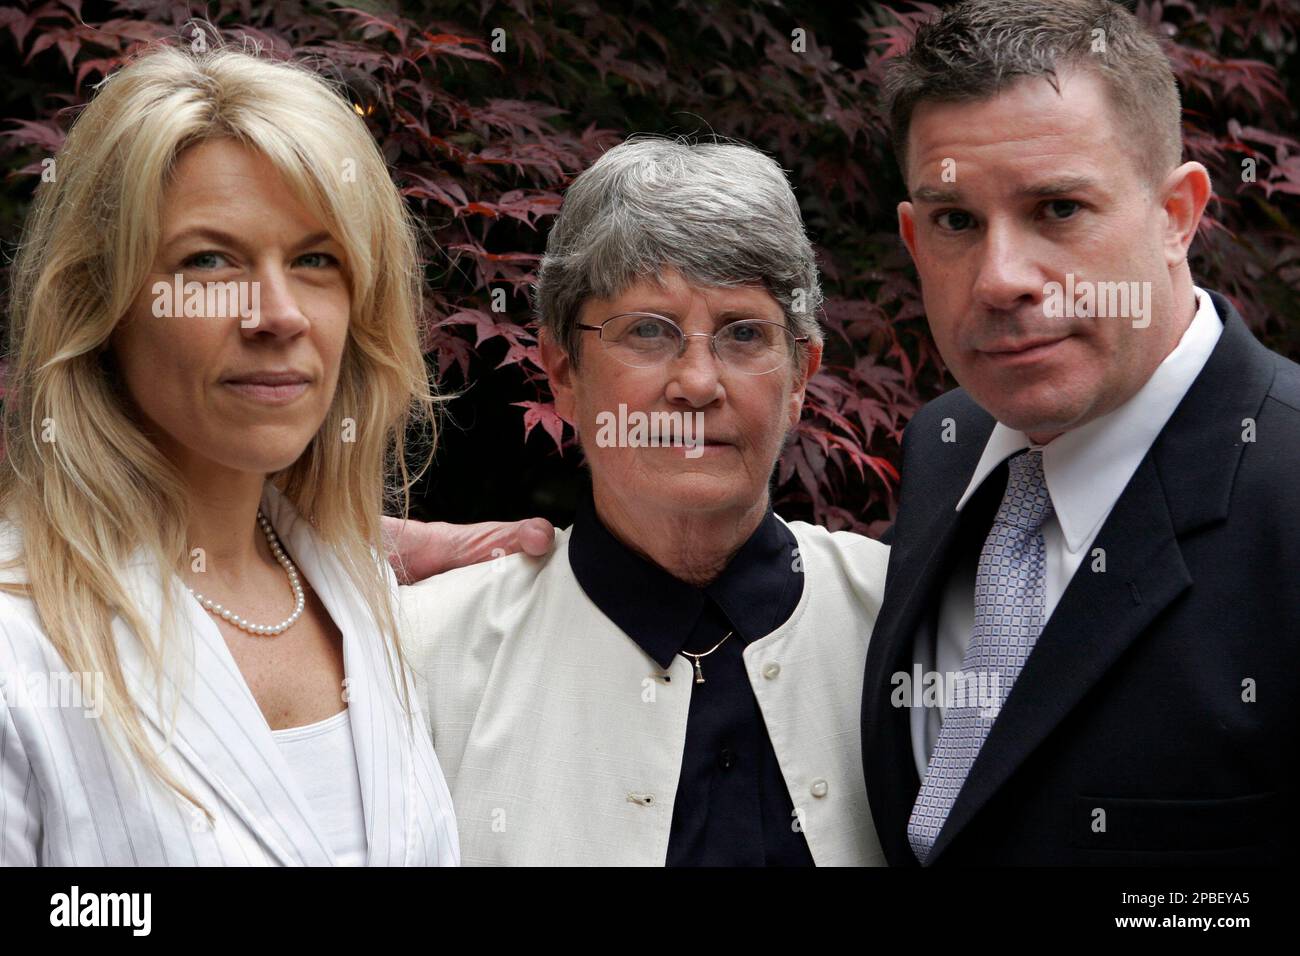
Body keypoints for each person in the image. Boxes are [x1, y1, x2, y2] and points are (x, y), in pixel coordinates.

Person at [0, 42, 493, 865]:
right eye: (210, 260)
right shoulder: (19, 643)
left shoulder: (362, 594)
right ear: (102, 302)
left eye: (314, 261)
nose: (277, 314)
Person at [860, 0, 1298, 865]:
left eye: (1058, 208)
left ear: (1179, 215)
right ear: (914, 238)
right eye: (956, 221)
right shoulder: (944, 446)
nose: (1002, 279)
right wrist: (540, 579)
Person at [400, 138, 890, 866]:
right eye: (648, 332)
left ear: (800, 378)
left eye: (745, 333)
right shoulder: (423, 654)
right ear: (563, 371)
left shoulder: (901, 621)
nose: (697, 383)